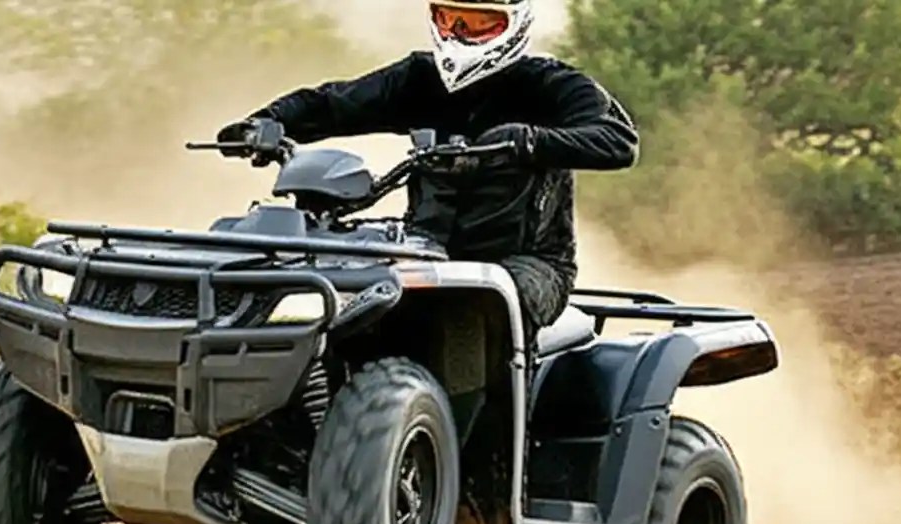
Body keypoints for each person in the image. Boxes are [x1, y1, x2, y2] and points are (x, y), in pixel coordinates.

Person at [217, 0, 639, 354]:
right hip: (426, 252)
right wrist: (268, 123)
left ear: (514, 25)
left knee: (471, 307)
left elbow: (618, 139)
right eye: (448, 18)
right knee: (342, 293)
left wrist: (529, 142)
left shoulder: (548, 85)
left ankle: (461, 445)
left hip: (528, 264)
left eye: (477, 23)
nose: (458, 33)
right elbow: (335, 103)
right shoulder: (421, 78)